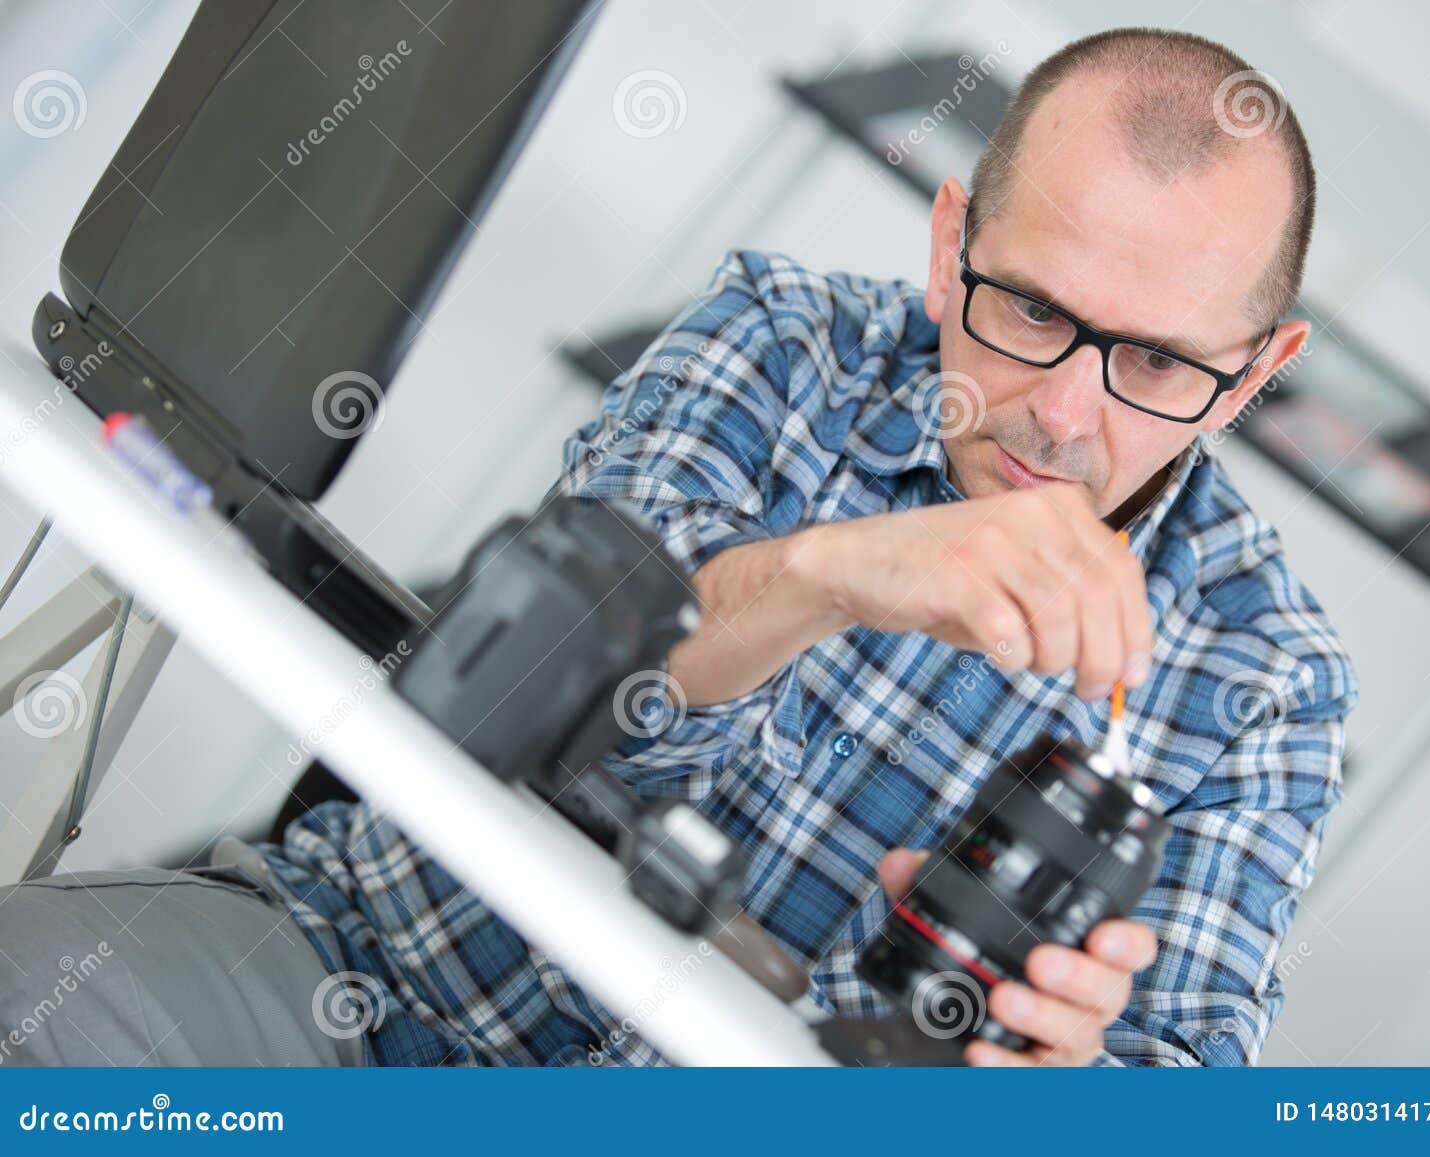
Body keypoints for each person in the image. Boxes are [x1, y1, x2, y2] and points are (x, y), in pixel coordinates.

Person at [0, 26, 1353, 1068]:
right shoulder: (779, 339)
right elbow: (562, 698)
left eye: (1162, 365)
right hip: (369, 992)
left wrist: (1050, 1083)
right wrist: (833, 570)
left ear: (1254, 374)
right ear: (952, 248)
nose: (1066, 414)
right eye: (1032, 312)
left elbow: (1181, 1082)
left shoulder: (1265, 679)